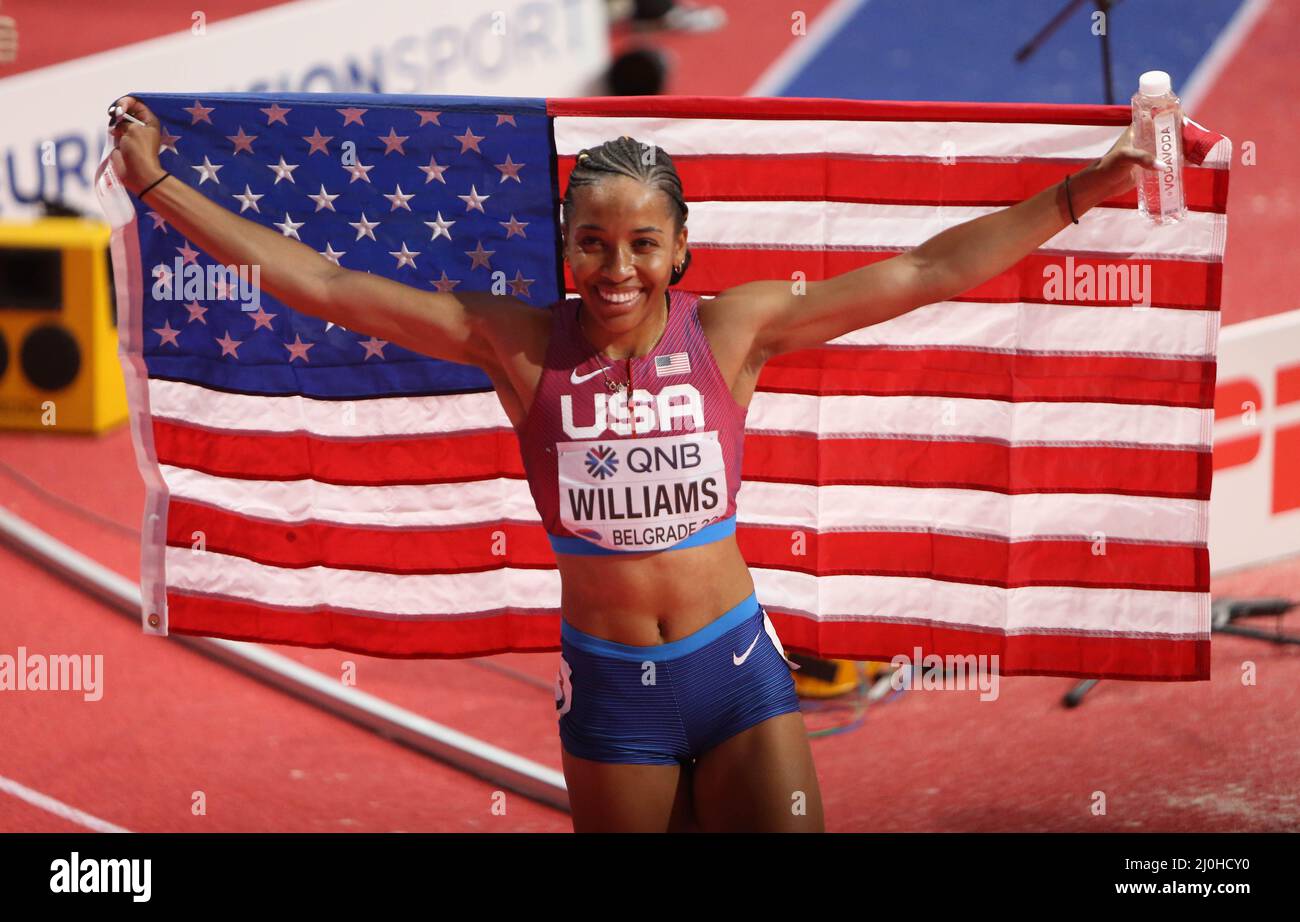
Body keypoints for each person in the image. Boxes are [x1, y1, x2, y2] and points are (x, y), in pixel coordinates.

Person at [107, 95, 1155, 833]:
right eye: (595, 243)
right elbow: (327, 283)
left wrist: (1082, 190)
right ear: (565, 246)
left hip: (738, 673)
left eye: (643, 244)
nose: (618, 268)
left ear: (682, 249)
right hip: (615, 697)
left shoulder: (736, 329)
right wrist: (158, 185)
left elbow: (928, 269)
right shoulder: (512, 342)